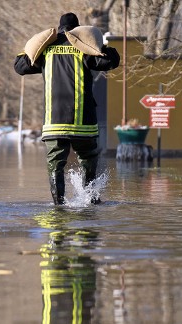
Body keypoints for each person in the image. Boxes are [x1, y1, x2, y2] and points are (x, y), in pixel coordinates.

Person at [14, 12, 120, 205]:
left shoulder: (46, 49)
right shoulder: (84, 47)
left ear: (59, 27)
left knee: (55, 165)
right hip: (84, 122)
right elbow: (111, 61)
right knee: (88, 160)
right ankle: (90, 202)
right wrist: (102, 46)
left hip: (54, 122)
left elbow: (20, 66)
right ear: (78, 29)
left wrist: (28, 49)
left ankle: (59, 206)